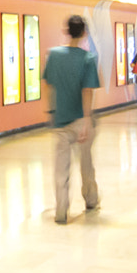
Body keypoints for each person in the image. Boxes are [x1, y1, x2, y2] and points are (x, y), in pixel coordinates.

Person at [43, 14, 100, 224]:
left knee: (61, 168)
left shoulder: (54, 55)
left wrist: (51, 110)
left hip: (60, 119)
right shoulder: (88, 58)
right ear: (84, 33)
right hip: (80, 120)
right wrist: (86, 120)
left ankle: (61, 210)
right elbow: (87, 91)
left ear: (66, 31)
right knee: (86, 164)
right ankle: (91, 200)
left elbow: (48, 84)